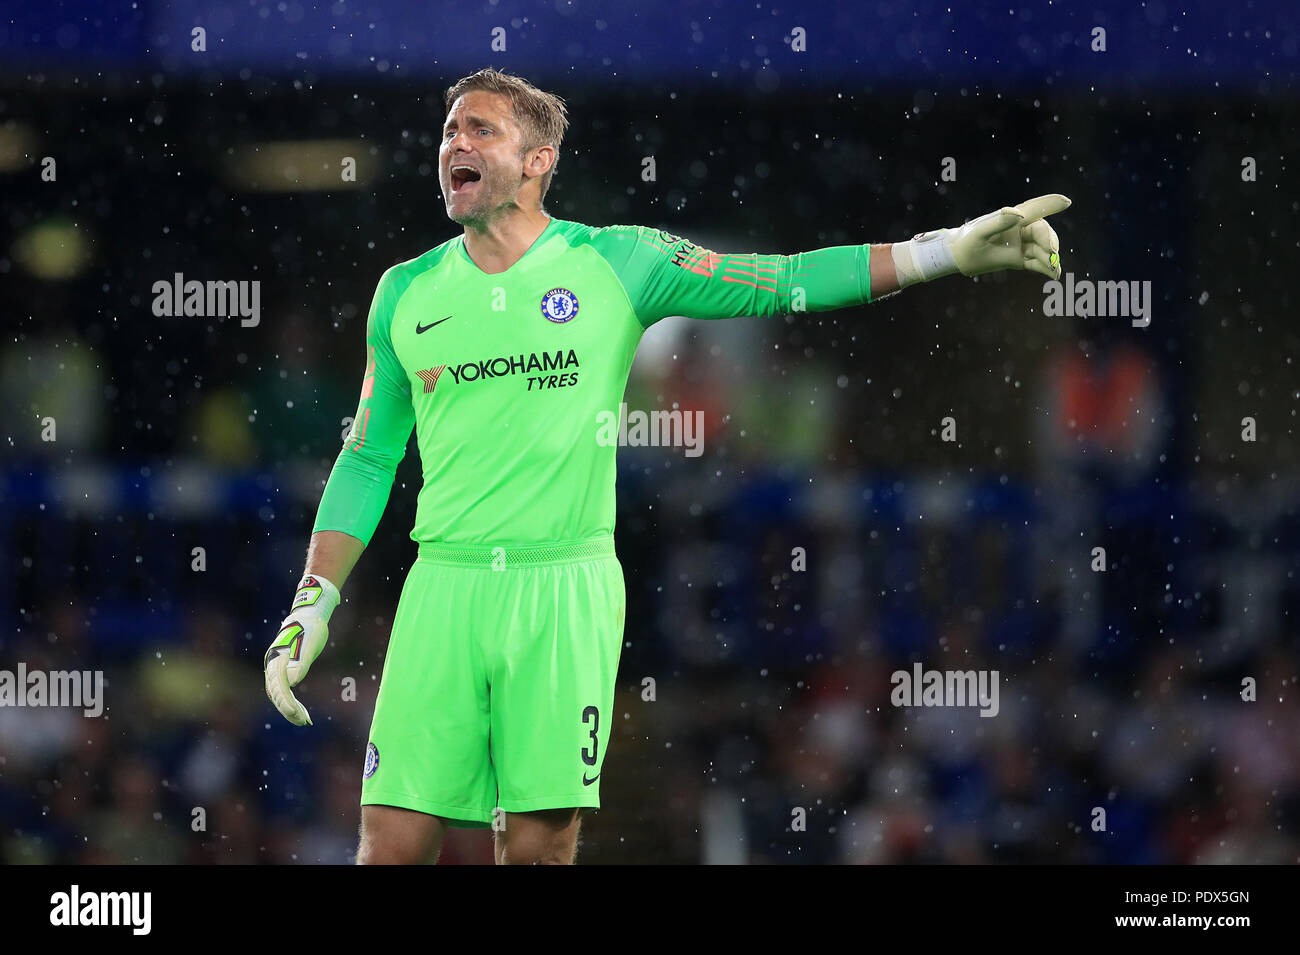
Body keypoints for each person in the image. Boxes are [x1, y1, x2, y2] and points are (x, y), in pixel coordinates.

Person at [262, 66, 1071, 865]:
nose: (455, 144)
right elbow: (367, 455)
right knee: (390, 843)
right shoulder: (405, 292)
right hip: (443, 588)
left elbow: (781, 281)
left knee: (540, 848)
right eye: (449, 131)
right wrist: (315, 598)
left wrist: (946, 251)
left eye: (481, 129)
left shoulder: (620, 261)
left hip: (563, 589)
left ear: (539, 160)